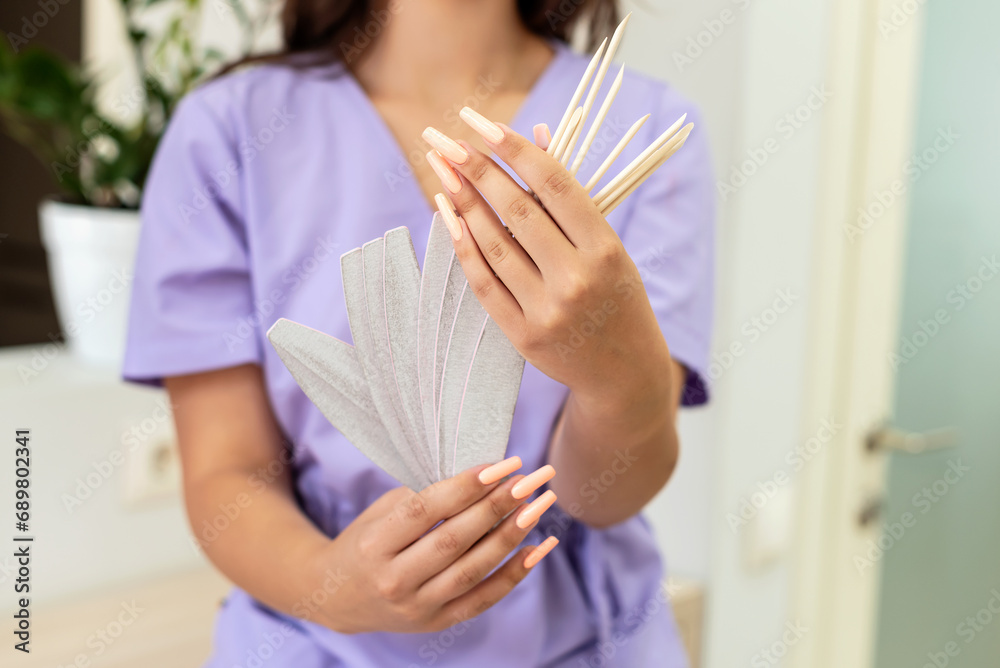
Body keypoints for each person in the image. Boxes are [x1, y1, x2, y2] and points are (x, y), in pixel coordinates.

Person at [122, 0, 715, 665]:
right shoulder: (230, 128)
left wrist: (620, 374)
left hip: (576, 634)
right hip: (312, 642)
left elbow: (606, 493)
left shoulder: (645, 126)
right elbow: (227, 473)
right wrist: (331, 587)